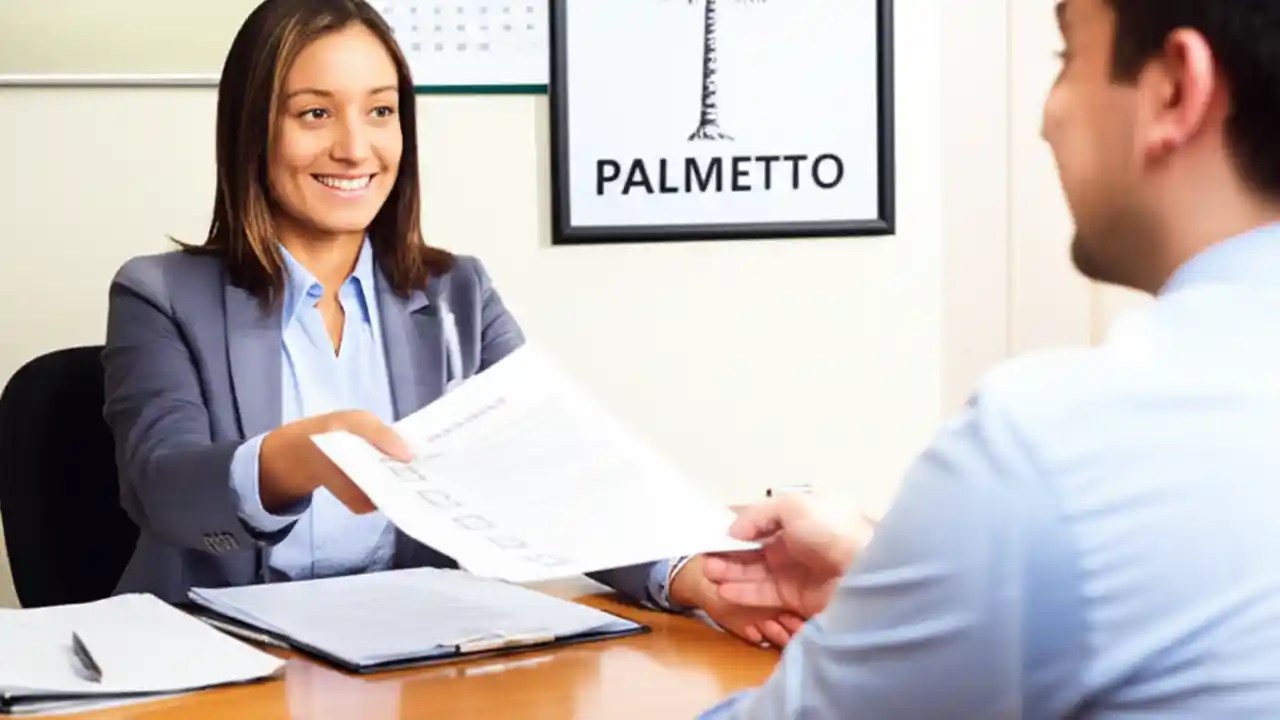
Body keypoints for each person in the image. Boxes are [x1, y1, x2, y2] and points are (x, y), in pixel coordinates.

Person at [100, 0, 798, 645]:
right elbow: (164, 491)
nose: (355, 147)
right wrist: (297, 458)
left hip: (406, 657)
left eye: (380, 111)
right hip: (213, 663)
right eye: (315, 114)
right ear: (252, 128)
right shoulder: (159, 295)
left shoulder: (459, 295)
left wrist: (692, 575)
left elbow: (550, 475)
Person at [696, 0, 1280, 716]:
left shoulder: (1057, 446)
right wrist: (916, 590)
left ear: (1175, 90)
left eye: (1067, 59)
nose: (1045, 119)